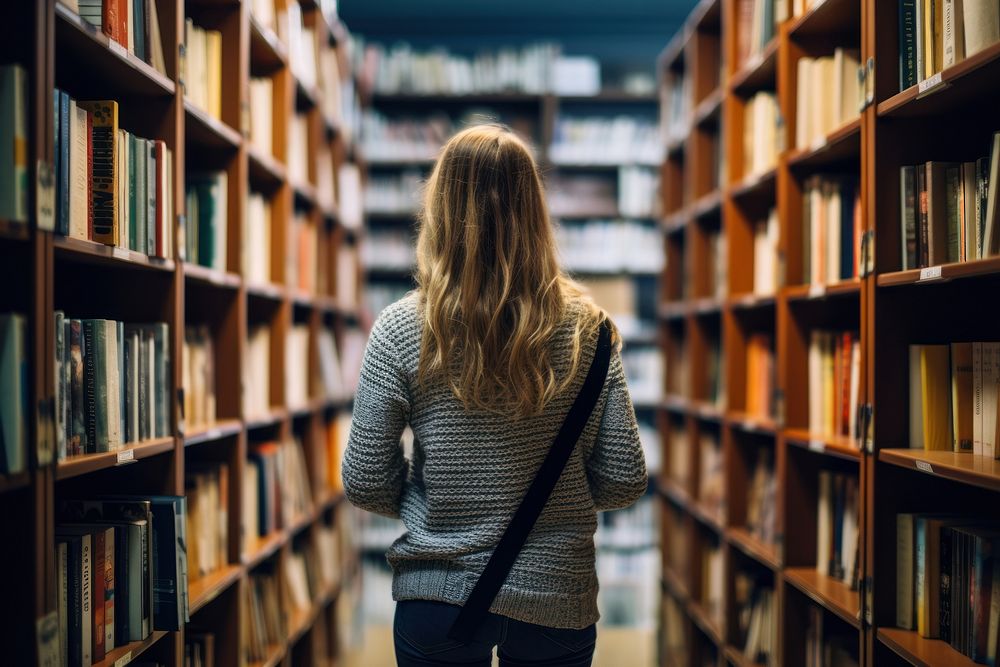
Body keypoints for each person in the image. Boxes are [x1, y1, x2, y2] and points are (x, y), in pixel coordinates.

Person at [342, 124, 647, 667]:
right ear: (535, 211)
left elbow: (365, 479)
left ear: (439, 208)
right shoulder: (590, 329)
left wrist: (434, 505)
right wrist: (557, 506)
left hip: (439, 592)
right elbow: (624, 476)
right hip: (558, 593)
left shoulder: (400, 328)